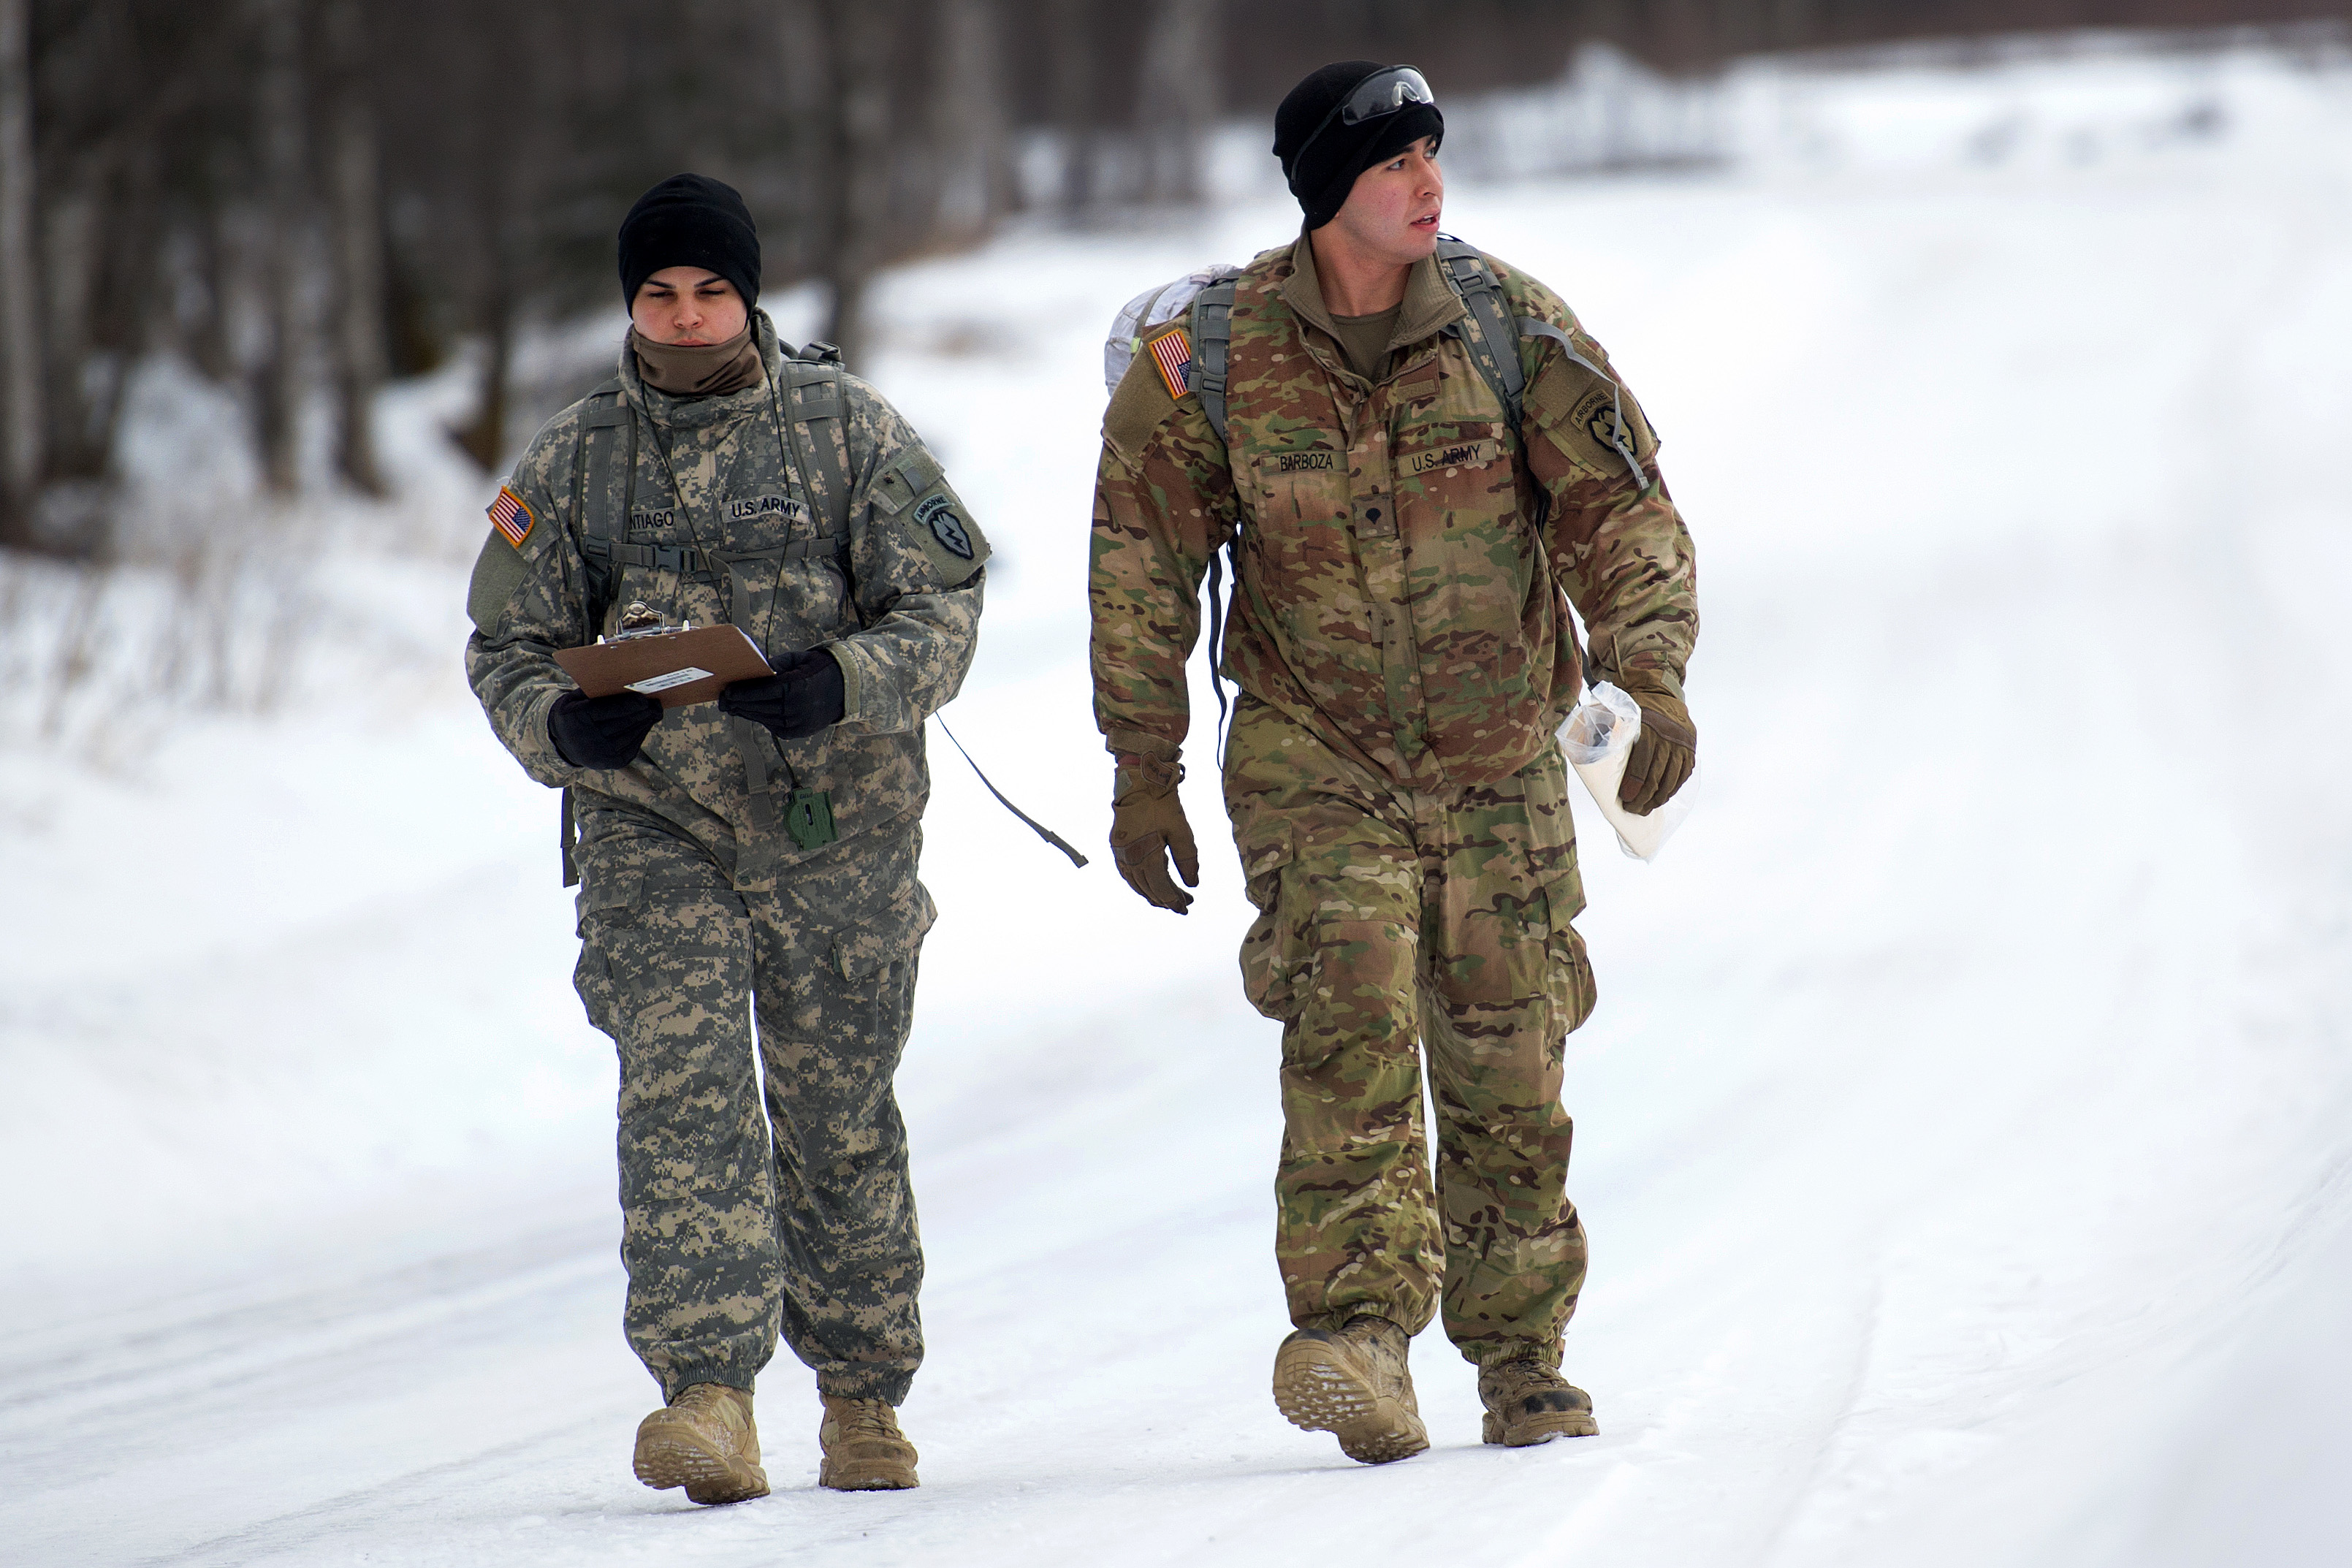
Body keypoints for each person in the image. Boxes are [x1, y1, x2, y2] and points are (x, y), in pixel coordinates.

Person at [1089, 64, 1698, 1464]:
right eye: (1393, 163)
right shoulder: (1211, 355)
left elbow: (1621, 512)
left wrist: (1650, 667)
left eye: (1434, 153)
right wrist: (1142, 765)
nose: (1429, 182)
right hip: (1317, 750)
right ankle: (1359, 1339)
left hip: (1499, 754)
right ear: (1326, 193)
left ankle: (1524, 1358)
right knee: (1350, 1012)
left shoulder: (1511, 325)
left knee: (1508, 1052)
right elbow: (1140, 565)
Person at [465, 173, 988, 1504]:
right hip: (657, 826)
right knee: (683, 1095)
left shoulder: (847, 430)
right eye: (660, 294)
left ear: (750, 297)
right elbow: (505, 644)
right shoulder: (576, 459)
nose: (687, 316)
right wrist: (559, 725)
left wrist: (845, 680)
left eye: (710, 291)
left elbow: (944, 606)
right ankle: (708, 1396)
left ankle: (864, 1394)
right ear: (629, 303)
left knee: (837, 1110)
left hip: (837, 826)